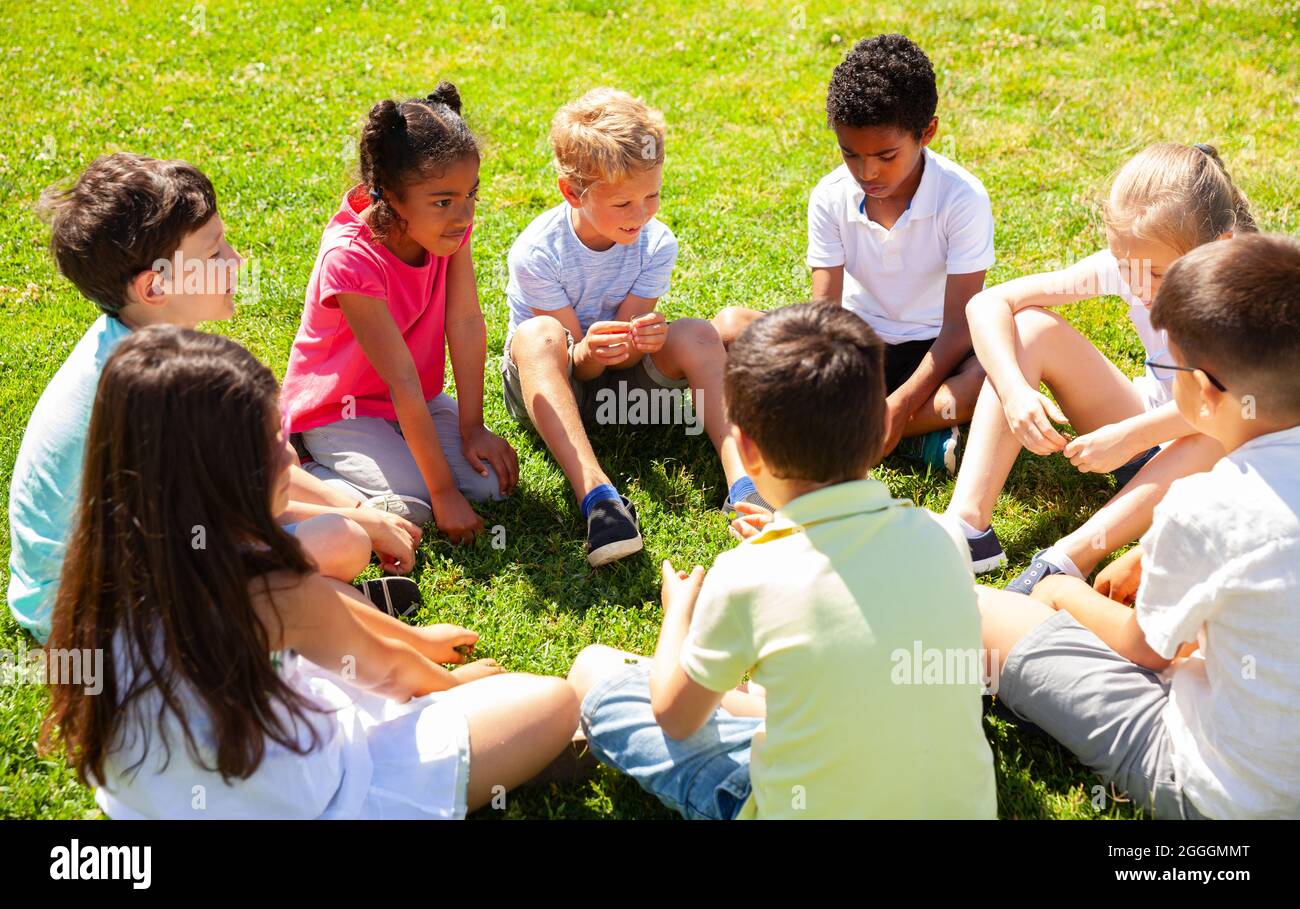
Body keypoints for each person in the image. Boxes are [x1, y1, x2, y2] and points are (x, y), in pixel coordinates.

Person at [42, 326, 579, 819]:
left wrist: (417, 638)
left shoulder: (109, 555)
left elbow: (330, 608)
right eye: (274, 444)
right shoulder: (277, 593)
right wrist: (451, 685)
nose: (293, 459)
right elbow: (390, 671)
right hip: (318, 800)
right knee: (553, 702)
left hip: (158, 800)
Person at [568, 303, 997, 819]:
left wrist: (678, 613)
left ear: (746, 449)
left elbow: (675, 718)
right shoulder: (941, 539)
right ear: (883, 423)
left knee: (596, 670)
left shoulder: (746, 573)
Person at [978, 234, 1300, 819]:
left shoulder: (1207, 504)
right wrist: (1155, 552)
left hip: (1223, 797)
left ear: (1203, 388)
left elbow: (1145, 650)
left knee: (978, 610)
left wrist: (1059, 591)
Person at [945, 142, 1255, 585]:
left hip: (1215, 467)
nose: (1140, 287)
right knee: (1029, 326)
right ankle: (968, 527)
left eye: (1157, 275)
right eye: (1126, 267)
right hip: (1142, 438)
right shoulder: (1141, 258)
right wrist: (1014, 391)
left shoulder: (1254, 294)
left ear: (1220, 246)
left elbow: (1232, 400)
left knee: (1218, 425)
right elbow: (989, 303)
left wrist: (1129, 437)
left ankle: (1070, 558)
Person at [501, 87, 765, 567]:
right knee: (537, 335)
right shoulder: (537, 253)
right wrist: (587, 353)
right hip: (553, 391)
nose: (642, 214)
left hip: (618, 390)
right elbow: (578, 368)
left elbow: (622, 354)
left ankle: (744, 483)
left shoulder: (655, 242)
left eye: (653, 195)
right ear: (570, 192)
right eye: (623, 204)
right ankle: (599, 500)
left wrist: (645, 341)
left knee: (698, 333)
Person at [283, 83, 519, 547]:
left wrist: (472, 426)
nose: (463, 214)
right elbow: (401, 380)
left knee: (492, 484)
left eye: (472, 194)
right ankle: (306, 465)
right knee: (414, 504)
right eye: (443, 201)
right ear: (389, 193)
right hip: (339, 411)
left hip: (414, 401)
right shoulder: (350, 258)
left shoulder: (447, 232)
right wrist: (444, 491)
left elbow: (466, 323)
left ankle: (410, 464)